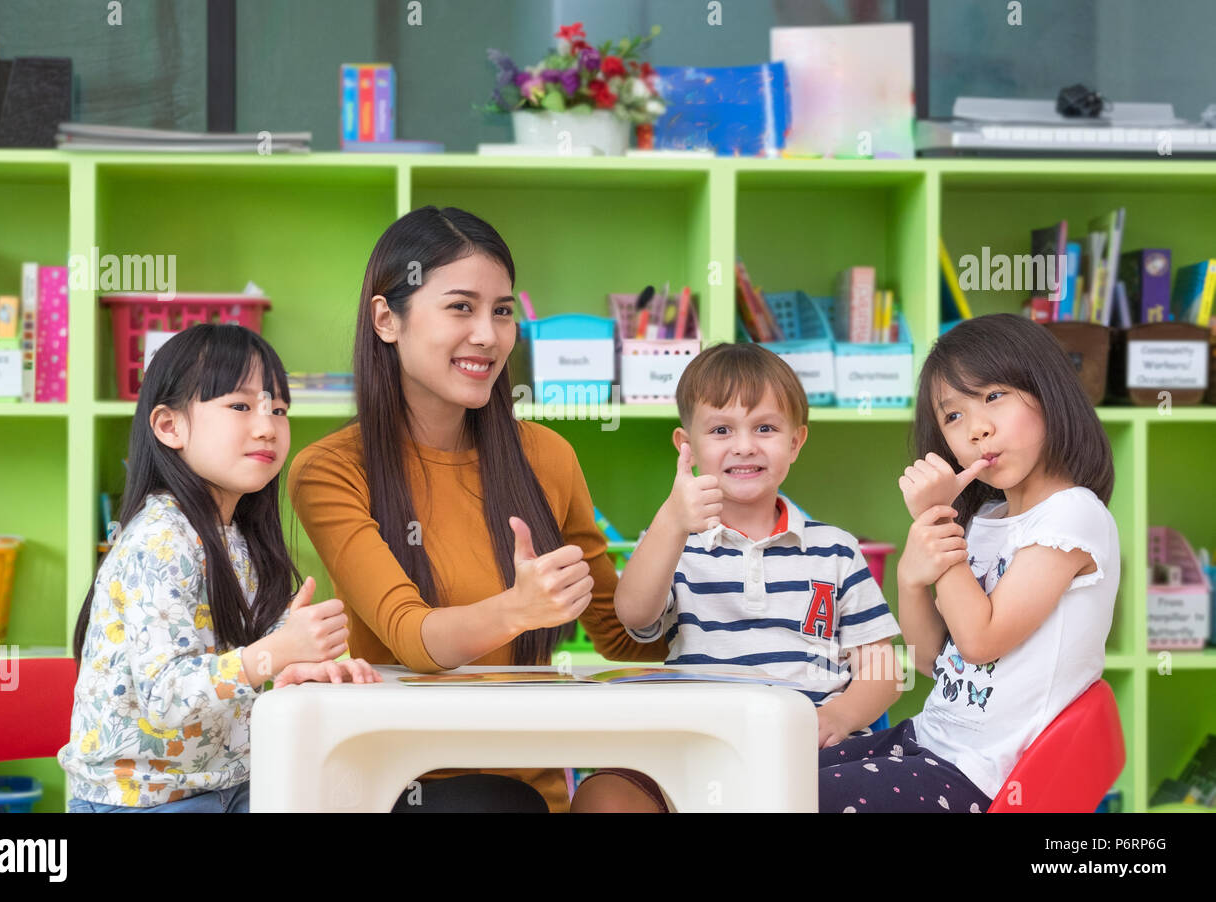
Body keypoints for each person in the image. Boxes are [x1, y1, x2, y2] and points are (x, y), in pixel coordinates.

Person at [288, 206, 667, 813]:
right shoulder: (331, 469)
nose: (488, 335)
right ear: (387, 319)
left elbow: (620, 637)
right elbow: (413, 638)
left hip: (531, 794)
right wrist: (517, 609)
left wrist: (681, 537)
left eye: (502, 310)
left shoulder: (547, 455)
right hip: (406, 788)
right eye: (461, 306)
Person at [60, 323, 380, 813]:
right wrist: (275, 654)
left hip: (229, 787)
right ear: (170, 426)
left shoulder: (235, 537)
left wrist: (302, 663)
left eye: (278, 409)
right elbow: (167, 698)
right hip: (141, 802)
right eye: (240, 405)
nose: (267, 426)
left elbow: (243, 657)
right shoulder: (159, 540)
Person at [570, 342, 902, 812]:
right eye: (722, 429)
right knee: (603, 796)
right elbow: (634, 616)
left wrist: (840, 716)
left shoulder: (837, 549)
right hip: (693, 750)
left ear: (795, 441)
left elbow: (883, 668)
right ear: (687, 446)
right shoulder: (671, 541)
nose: (744, 445)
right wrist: (670, 518)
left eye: (765, 428)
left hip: (811, 756)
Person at [818, 313, 1119, 812]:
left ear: (1048, 391)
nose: (977, 429)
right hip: (930, 742)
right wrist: (912, 581)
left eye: (993, 396)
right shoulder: (985, 519)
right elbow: (929, 660)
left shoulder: (1073, 512)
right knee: (775, 773)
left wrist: (939, 529)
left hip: (985, 777)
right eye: (953, 416)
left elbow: (979, 642)